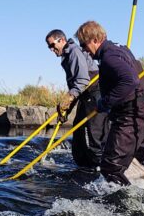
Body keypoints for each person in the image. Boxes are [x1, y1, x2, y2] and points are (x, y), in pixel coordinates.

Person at [75, 20, 144, 185]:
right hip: (137, 111)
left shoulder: (109, 57)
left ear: (95, 39)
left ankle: (129, 205)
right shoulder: (119, 49)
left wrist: (106, 102)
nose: (83, 50)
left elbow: (130, 79)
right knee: (129, 161)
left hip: (132, 113)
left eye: (84, 44)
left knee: (110, 167)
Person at [45, 29, 107, 169]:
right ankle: (83, 169)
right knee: (78, 136)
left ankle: (101, 170)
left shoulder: (74, 52)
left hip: (95, 93)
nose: (51, 50)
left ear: (61, 40)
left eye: (52, 45)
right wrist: (66, 109)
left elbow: (83, 81)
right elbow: (75, 87)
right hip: (85, 96)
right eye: (49, 47)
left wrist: (68, 99)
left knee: (92, 136)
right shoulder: (66, 56)